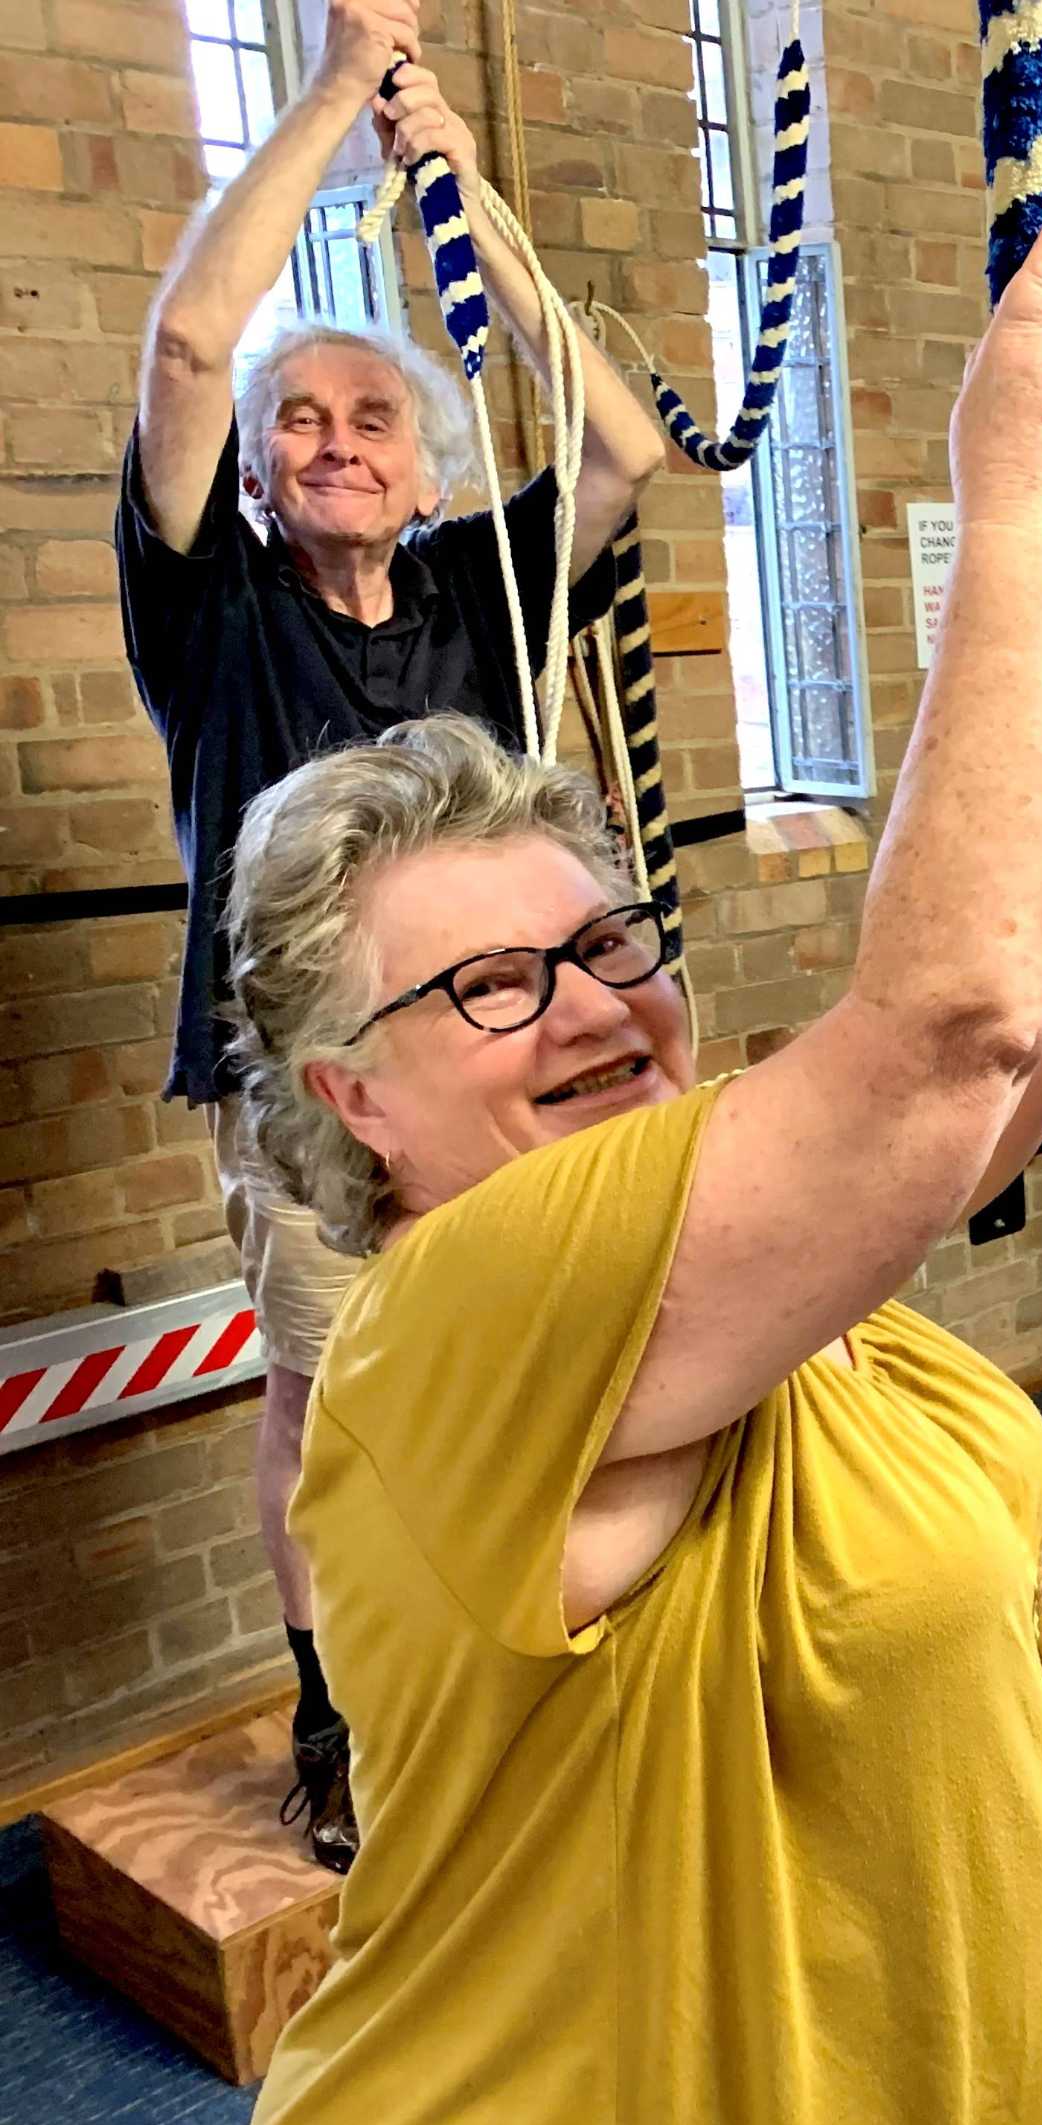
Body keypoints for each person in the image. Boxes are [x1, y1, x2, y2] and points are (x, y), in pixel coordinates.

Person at [225, 216, 1042, 2125]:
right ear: (354, 1105)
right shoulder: (443, 1327)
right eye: (483, 989)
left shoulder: (737, 1227)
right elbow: (951, 1031)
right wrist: (1001, 508)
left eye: (607, 940)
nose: (592, 1004)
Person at [116, 0, 667, 1868]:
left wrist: (445, 160)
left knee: (537, 1354)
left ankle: (513, 1651)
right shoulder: (213, 611)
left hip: (503, 1058)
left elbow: (615, 435)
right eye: (304, 423)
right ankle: (341, 1718)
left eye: (374, 419)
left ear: (426, 472)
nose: (337, 444)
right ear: (263, 476)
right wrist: (339, 86)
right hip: (306, 1087)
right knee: (325, 1393)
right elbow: (192, 338)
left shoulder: (472, 583)